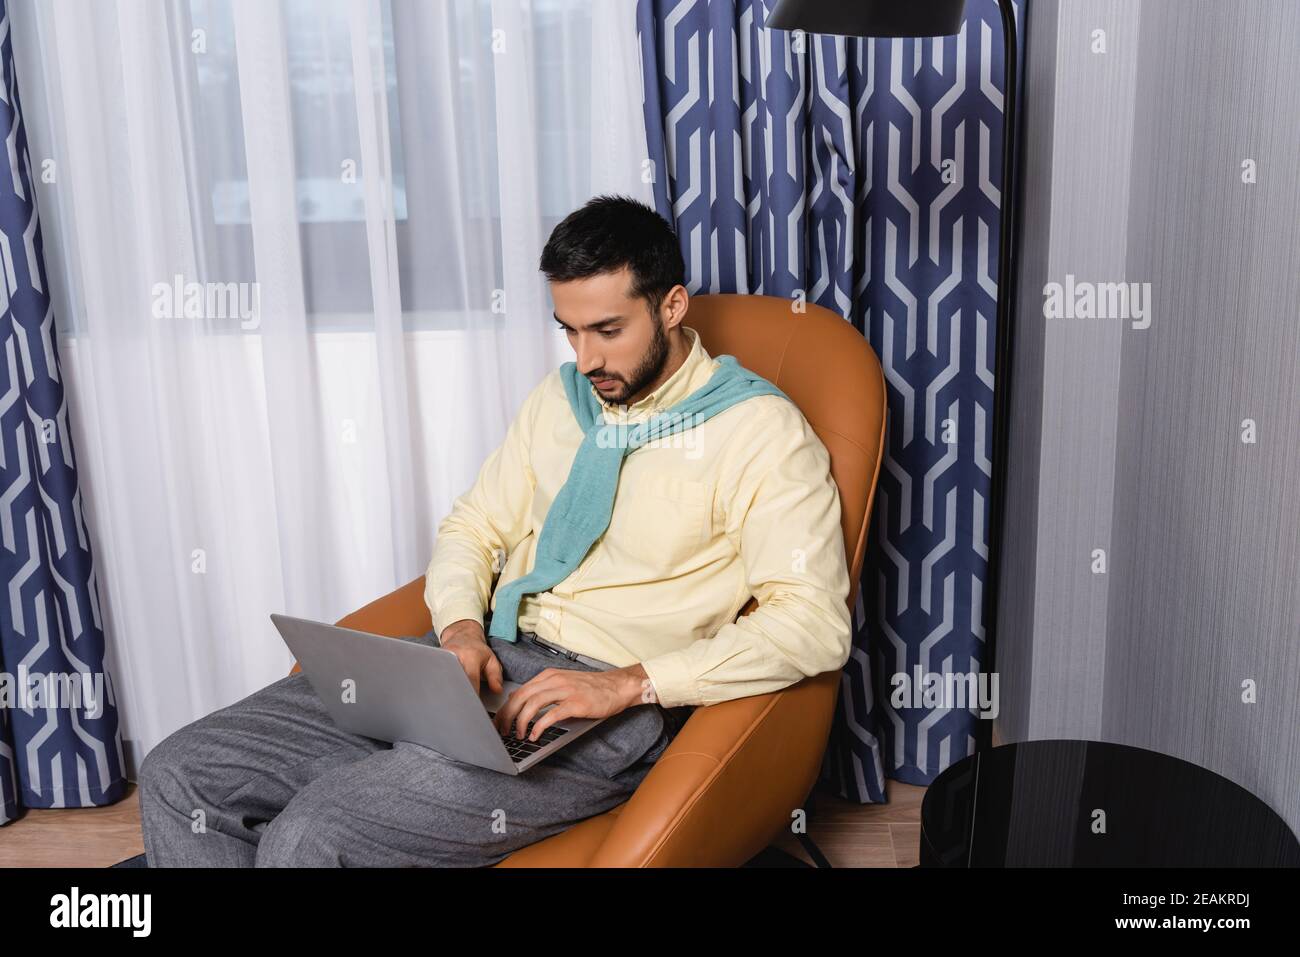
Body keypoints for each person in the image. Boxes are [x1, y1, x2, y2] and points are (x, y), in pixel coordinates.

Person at [137, 195, 851, 867]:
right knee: (181, 772)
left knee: (315, 832)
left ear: (671, 305)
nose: (587, 359)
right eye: (568, 330)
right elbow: (475, 525)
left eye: (608, 330)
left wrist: (630, 685)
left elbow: (813, 623)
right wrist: (458, 632)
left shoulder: (759, 433)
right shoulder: (561, 401)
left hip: (603, 707)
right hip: (481, 665)